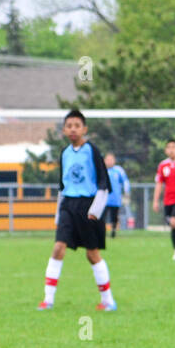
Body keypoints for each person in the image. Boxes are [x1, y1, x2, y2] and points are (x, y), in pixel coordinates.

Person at [37, 109, 115, 312]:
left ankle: (108, 300)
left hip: (88, 206)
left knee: (92, 254)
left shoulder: (92, 150)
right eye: (69, 126)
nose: (73, 129)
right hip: (68, 206)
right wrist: (58, 213)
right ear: (64, 130)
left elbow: (103, 182)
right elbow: (62, 186)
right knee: (58, 248)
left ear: (84, 129)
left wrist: (96, 210)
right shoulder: (64, 153)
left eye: (77, 126)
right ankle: (48, 300)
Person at [104, 151, 130, 238]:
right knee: (101, 216)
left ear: (114, 160)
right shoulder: (102, 170)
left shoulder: (118, 170)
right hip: (103, 199)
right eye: (107, 159)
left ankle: (113, 231)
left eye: (111, 159)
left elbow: (125, 181)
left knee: (114, 216)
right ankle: (101, 231)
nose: (109, 161)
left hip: (115, 198)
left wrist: (126, 192)